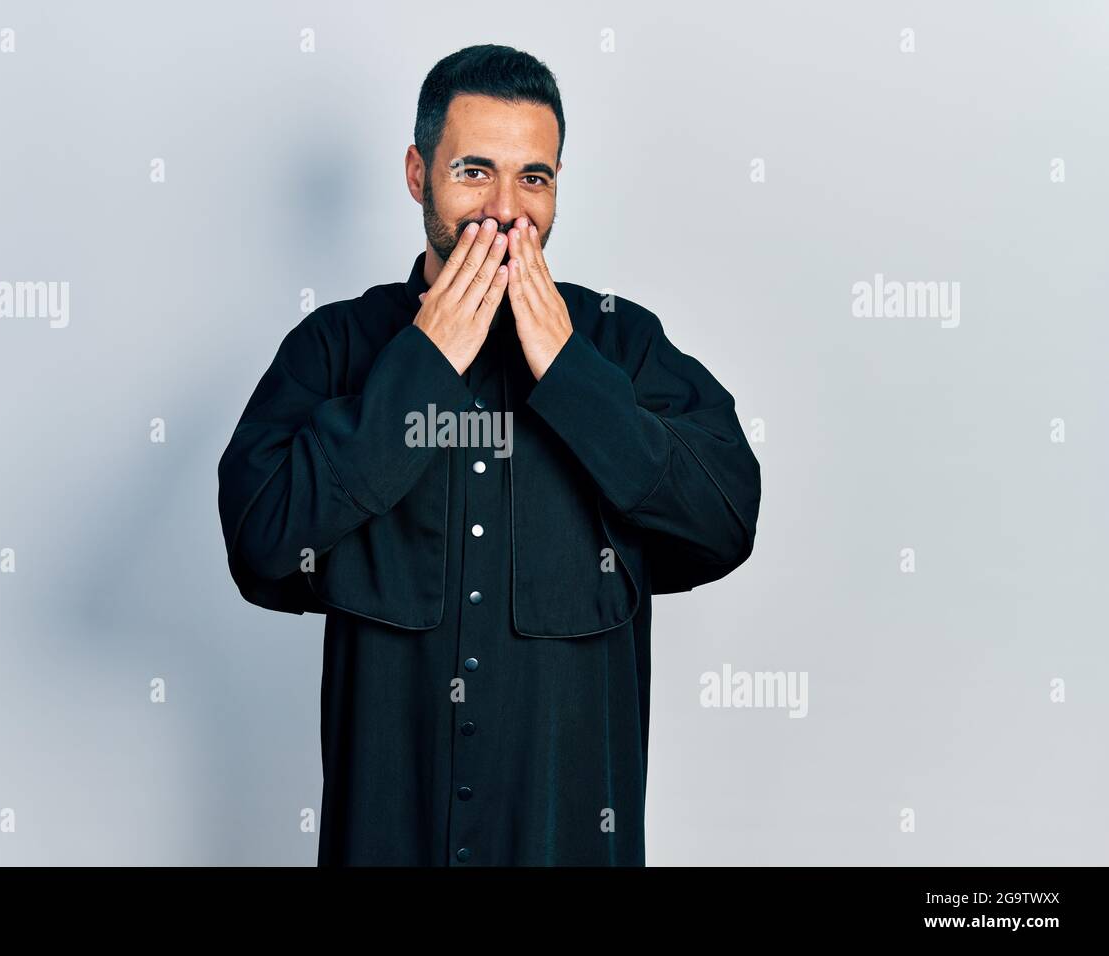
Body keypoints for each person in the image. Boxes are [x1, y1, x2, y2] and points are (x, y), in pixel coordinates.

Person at [217, 44, 762, 866]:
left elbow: (724, 521)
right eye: (475, 171)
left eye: (534, 178)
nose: (507, 211)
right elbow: (260, 540)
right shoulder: (334, 346)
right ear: (416, 173)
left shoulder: (622, 342)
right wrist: (418, 373)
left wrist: (573, 373)